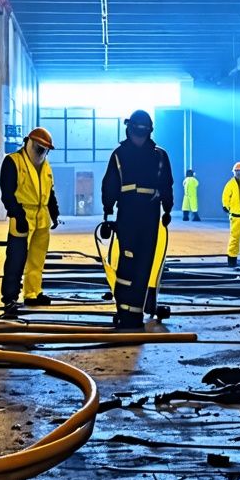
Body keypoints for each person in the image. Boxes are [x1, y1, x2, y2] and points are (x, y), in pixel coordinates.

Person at [100, 109, 174, 329]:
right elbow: (110, 185)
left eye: (142, 133)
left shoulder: (153, 155)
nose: (139, 138)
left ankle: (134, 312)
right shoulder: (124, 155)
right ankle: (125, 311)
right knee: (129, 262)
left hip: (147, 215)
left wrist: (167, 208)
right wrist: (107, 211)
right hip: (130, 216)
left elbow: (166, 185)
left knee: (143, 263)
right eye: (137, 133)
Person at [0, 127, 61, 310]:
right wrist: (17, 214)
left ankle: (32, 293)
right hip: (22, 216)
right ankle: (10, 297)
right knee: (16, 259)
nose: (42, 152)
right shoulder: (13, 162)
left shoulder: (45, 166)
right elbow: (7, 194)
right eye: (40, 148)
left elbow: (49, 192)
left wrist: (54, 212)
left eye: (45, 150)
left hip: (41, 217)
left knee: (37, 259)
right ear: (30, 143)